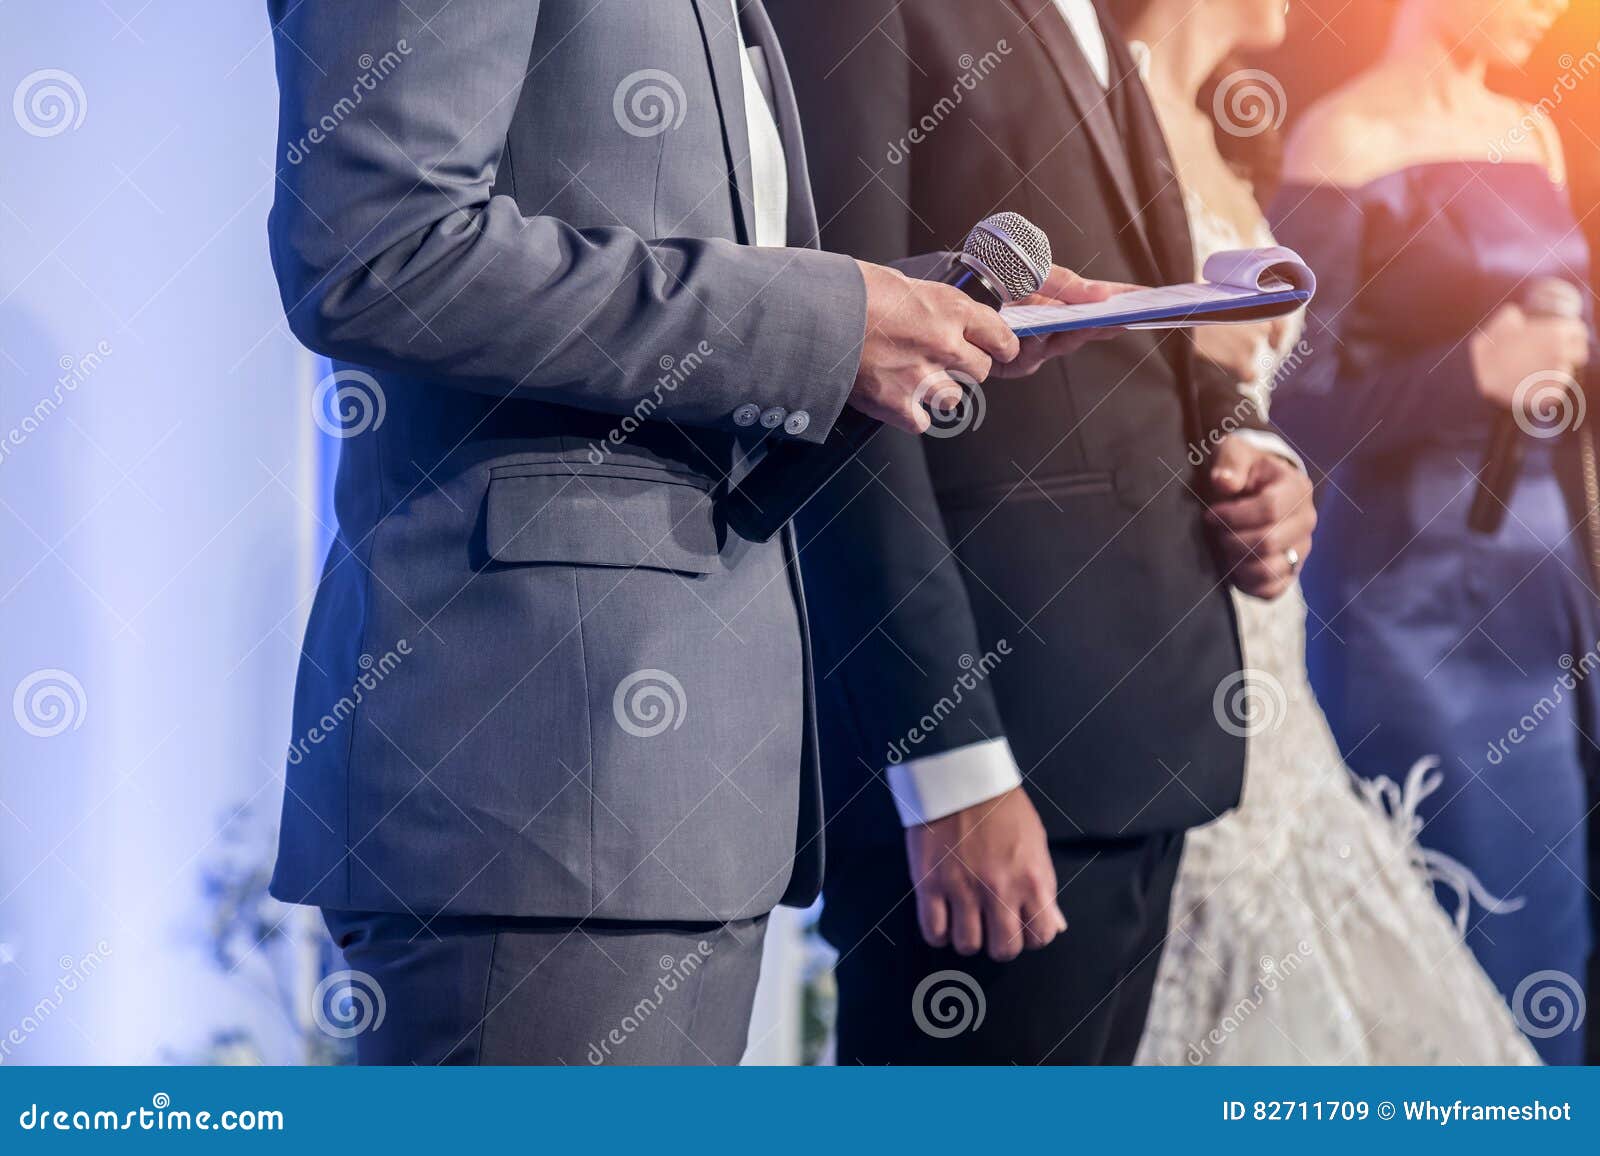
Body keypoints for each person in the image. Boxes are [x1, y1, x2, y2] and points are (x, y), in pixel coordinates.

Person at [264, 0, 1116, 1065]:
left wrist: (908, 312)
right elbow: (376, 252)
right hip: (537, 787)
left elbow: (684, 243)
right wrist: (827, 322)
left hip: (678, 788)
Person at [771, 0, 1314, 1064]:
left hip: (1144, 739)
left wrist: (1252, 452)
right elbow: (836, 375)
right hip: (1003, 754)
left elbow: (1144, 338)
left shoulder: (1096, 27)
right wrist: (950, 762)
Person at [1104, 0, 1539, 1065]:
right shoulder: (1104, 105)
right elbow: (1265, 384)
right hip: (1202, 583)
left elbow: (1265, 400)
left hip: (1291, 586)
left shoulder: (1214, 128)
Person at [1269, 0, 1595, 1064]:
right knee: (1447, 943)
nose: (1550, 12)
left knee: (1550, 937)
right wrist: (1467, 374)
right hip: (1405, 601)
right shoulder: (1339, 140)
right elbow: (1286, 406)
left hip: (1544, 586)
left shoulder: (1533, 130)